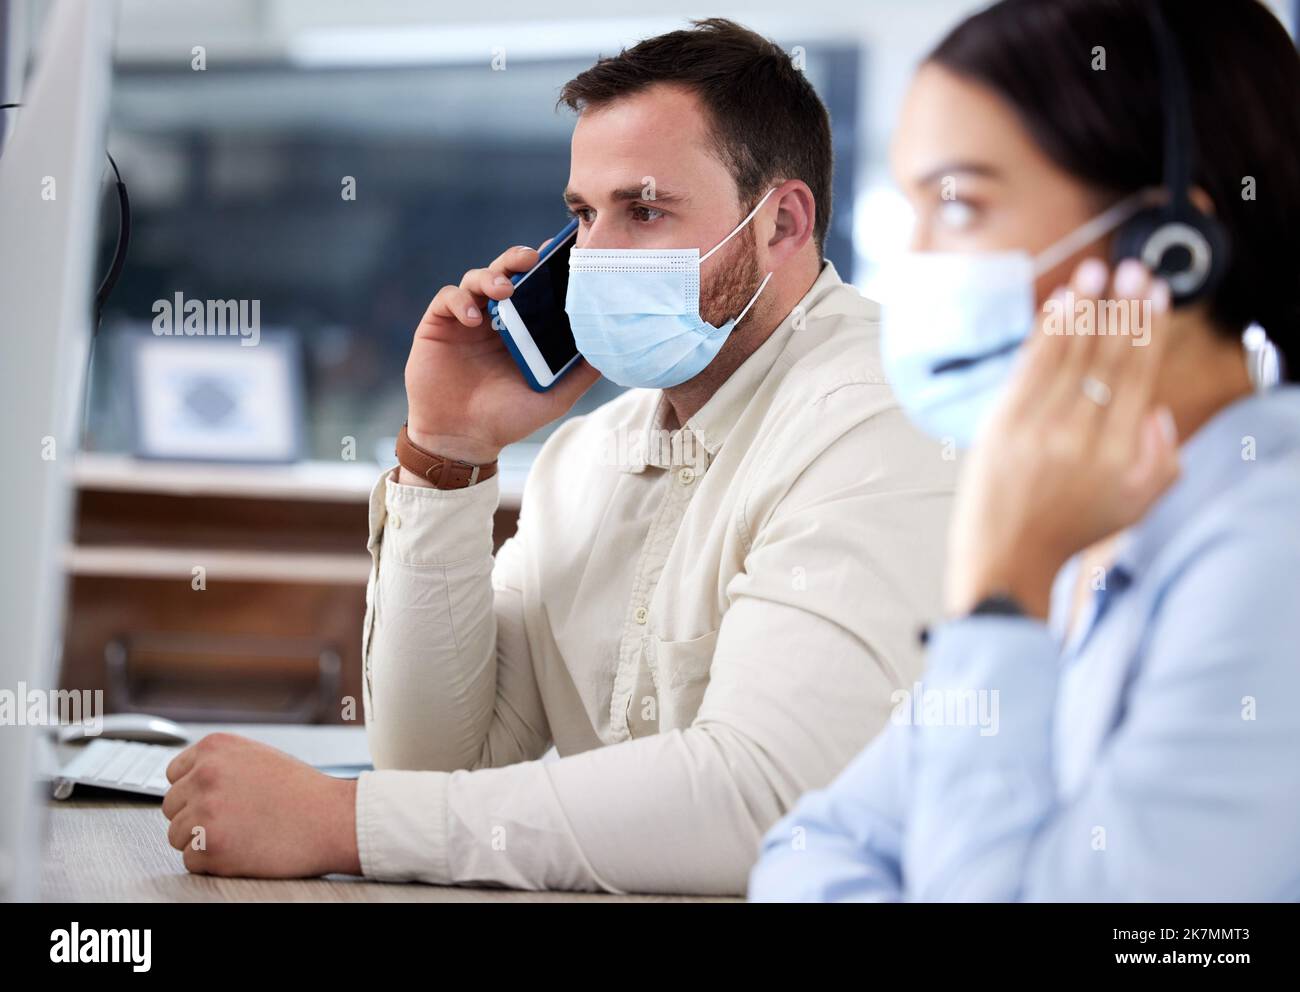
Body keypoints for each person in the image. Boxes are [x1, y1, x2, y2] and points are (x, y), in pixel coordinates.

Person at [161, 19, 956, 894]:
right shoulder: (588, 457)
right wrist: (447, 453)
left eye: (644, 210)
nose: (595, 256)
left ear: (783, 224)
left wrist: (339, 822)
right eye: (583, 215)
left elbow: (762, 802)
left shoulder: (884, 419)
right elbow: (434, 765)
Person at [750, 0, 1300, 901]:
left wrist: (1002, 604)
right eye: (911, 204)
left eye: (959, 203)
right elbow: (810, 850)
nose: (914, 258)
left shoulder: (1274, 550)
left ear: (1167, 252)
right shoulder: (1094, 514)